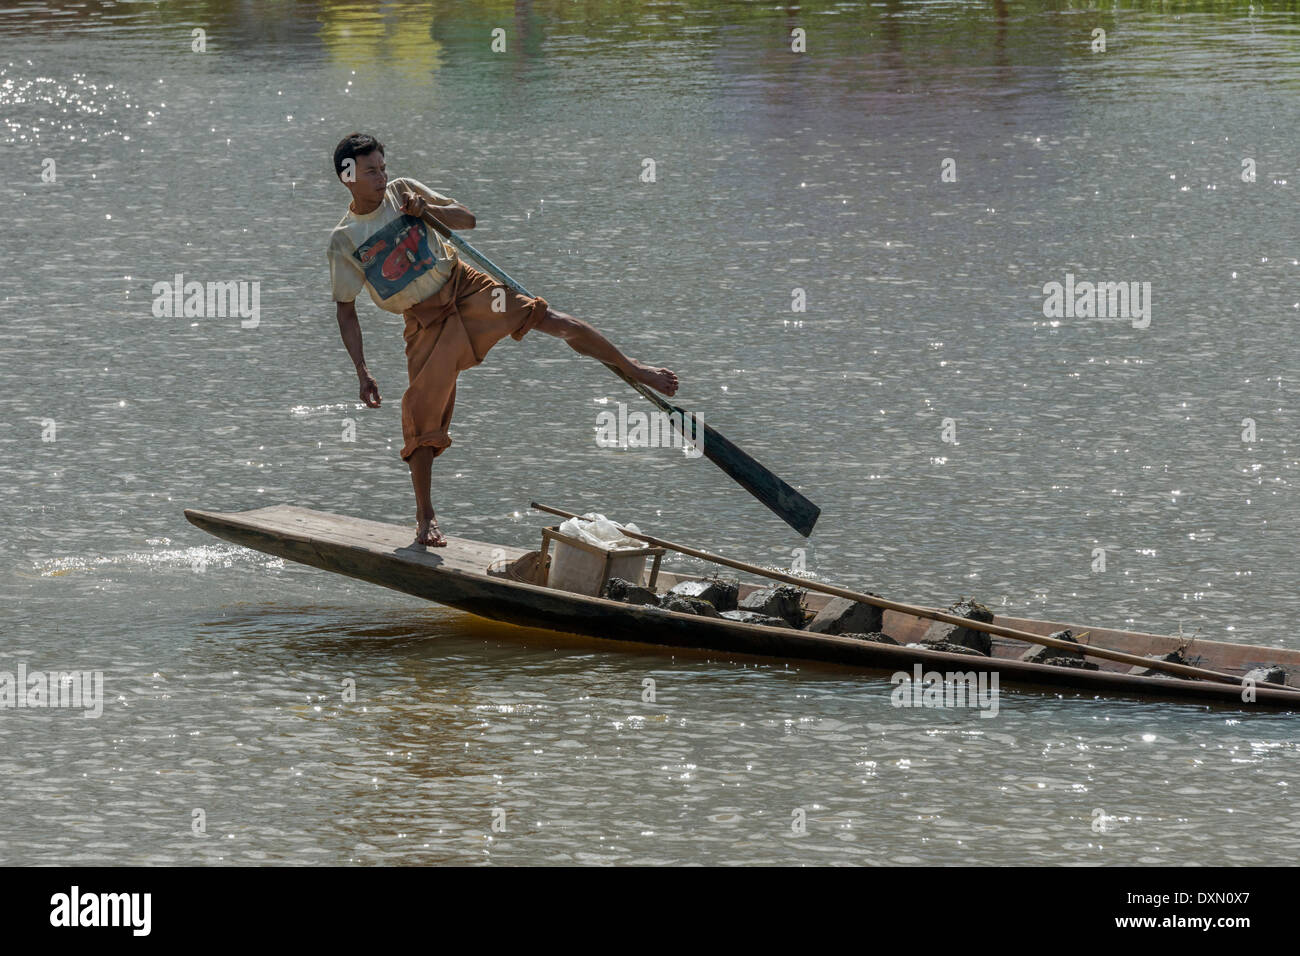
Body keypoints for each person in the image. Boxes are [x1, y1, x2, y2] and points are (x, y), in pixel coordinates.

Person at [327, 133, 679, 547]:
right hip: (424, 322)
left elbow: (467, 218)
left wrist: (428, 210)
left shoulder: (402, 191)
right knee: (421, 416)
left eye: (383, 167)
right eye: (371, 171)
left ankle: (633, 367)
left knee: (548, 317)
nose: (382, 176)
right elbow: (345, 310)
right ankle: (425, 518)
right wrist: (362, 370)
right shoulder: (345, 239)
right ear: (347, 176)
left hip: (468, 288)